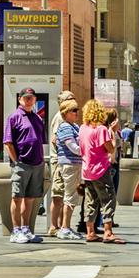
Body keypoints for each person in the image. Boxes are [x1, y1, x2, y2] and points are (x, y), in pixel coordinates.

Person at [3, 88, 46, 244]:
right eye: (26, 97)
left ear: (35, 100)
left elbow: (40, 141)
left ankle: (26, 229)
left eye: (31, 98)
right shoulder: (14, 117)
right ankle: (15, 231)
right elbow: (8, 142)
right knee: (17, 198)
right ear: (20, 99)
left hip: (37, 163)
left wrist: (41, 160)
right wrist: (16, 162)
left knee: (29, 199)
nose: (29, 100)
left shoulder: (37, 118)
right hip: (22, 163)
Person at [79, 99, 123, 244]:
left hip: (87, 170)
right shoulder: (101, 130)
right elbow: (110, 149)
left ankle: (90, 232)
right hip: (100, 169)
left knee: (90, 200)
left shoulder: (83, 128)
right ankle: (108, 232)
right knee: (108, 199)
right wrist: (113, 133)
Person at [49, 100, 83, 240]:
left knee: (72, 196)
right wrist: (88, 151)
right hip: (69, 165)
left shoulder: (74, 126)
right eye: (74, 110)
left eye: (77, 110)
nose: (77, 113)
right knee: (70, 197)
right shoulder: (65, 127)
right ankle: (64, 228)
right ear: (65, 113)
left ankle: (66, 226)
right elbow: (73, 147)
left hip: (74, 164)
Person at [45, 90, 76, 235]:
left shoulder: (68, 119)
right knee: (58, 194)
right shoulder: (60, 118)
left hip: (65, 161)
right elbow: (55, 140)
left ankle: (62, 225)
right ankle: (54, 226)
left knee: (65, 195)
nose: (73, 100)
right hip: (60, 161)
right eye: (70, 98)